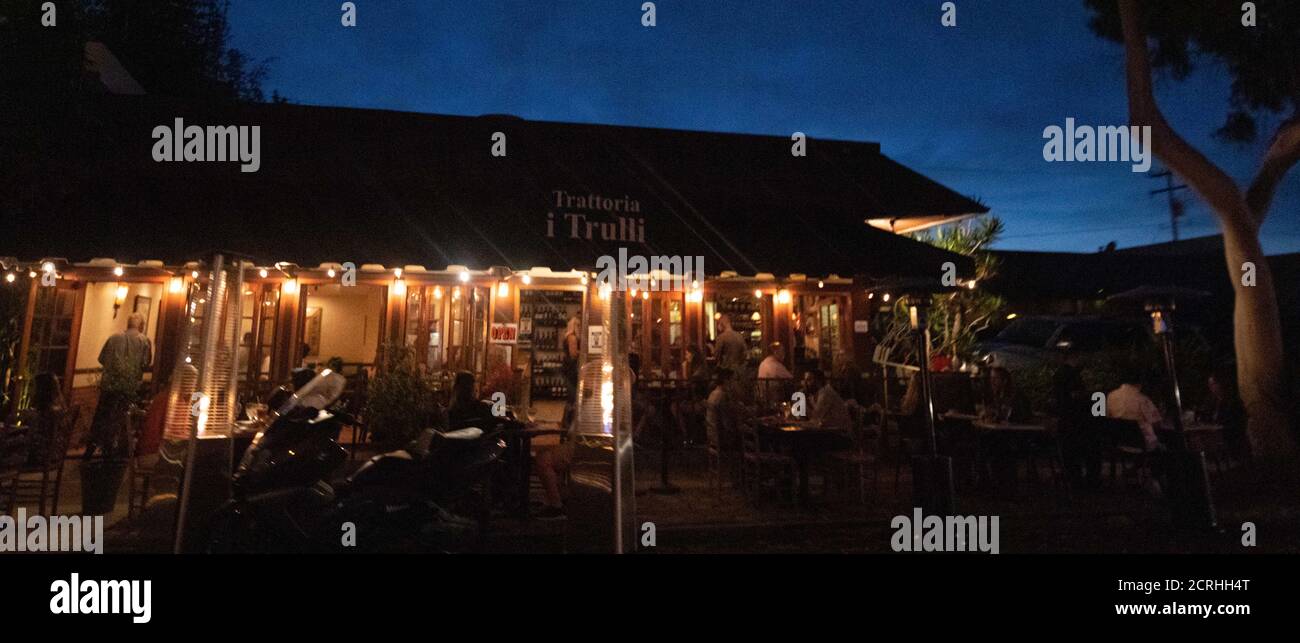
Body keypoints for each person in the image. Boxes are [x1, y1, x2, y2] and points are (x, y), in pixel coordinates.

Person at [87, 313, 152, 460]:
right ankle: (116, 456)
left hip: (108, 388)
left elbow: (102, 359)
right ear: (141, 326)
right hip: (128, 390)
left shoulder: (113, 338)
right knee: (122, 422)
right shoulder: (144, 341)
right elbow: (145, 363)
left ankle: (90, 452)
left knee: (100, 420)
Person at [1052, 349, 1101, 487]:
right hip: (1077, 422)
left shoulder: (1058, 374)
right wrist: (1095, 396)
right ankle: (1090, 482)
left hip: (1066, 421)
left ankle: (1075, 481)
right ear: (1075, 356)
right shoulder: (1072, 374)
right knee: (1090, 451)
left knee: (1071, 456)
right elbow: (1076, 395)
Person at [1106, 369, 1164, 452]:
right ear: (1140, 382)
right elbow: (1157, 424)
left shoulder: (1111, 396)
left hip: (1120, 442)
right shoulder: (1142, 399)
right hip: (1142, 444)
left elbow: (1109, 417)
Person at [1201, 366, 1247, 461]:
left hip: (1230, 435)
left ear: (1220, 384)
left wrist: (1220, 425)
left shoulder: (1232, 400)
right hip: (1215, 433)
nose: (1211, 387)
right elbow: (1206, 415)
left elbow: (1236, 421)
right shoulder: (1211, 400)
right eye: (1209, 384)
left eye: (1213, 384)